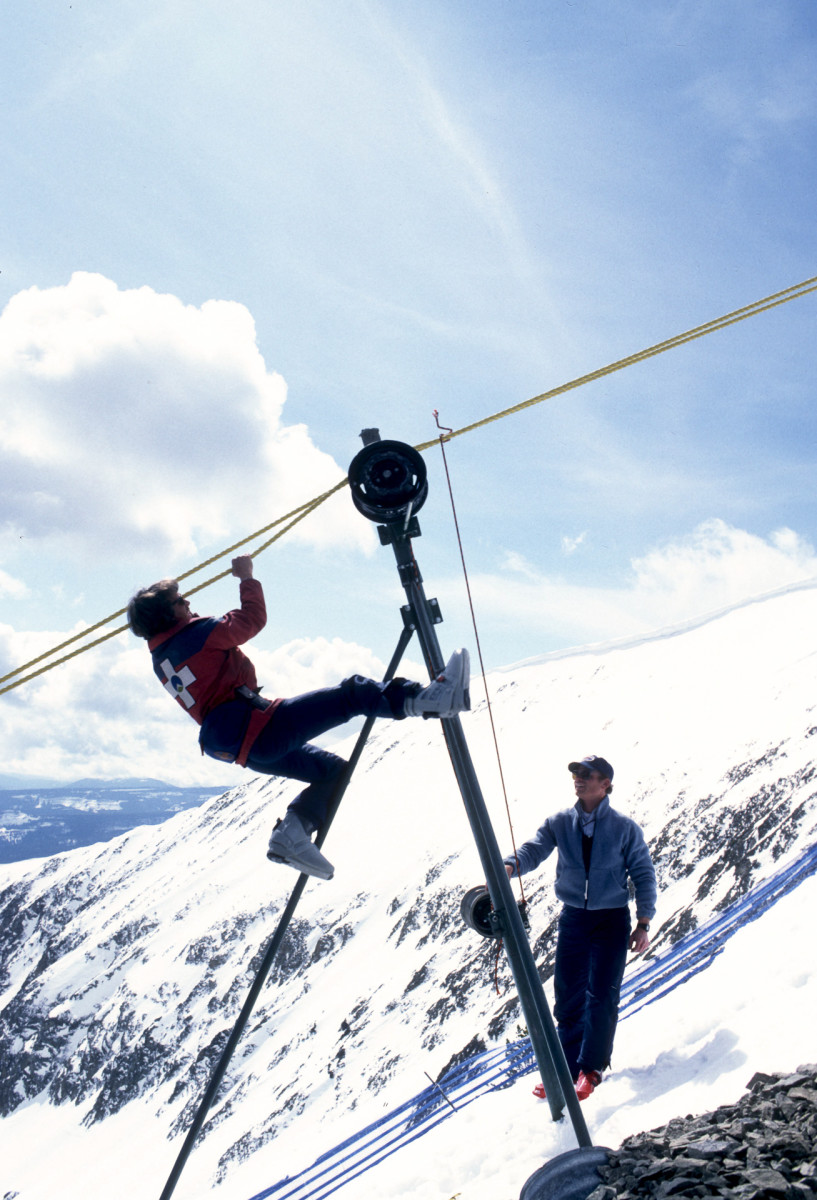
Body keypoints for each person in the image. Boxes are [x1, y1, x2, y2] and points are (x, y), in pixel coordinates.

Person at [127, 555, 470, 881]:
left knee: (333, 772)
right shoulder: (196, 636)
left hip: (243, 747)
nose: (188, 604)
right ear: (168, 616)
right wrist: (247, 577)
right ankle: (426, 700)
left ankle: (292, 833)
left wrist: (184, 616)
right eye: (180, 602)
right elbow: (251, 621)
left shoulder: (163, 657)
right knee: (353, 694)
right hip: (258, 729)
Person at [503, 754, 656, 1101]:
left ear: (605, 784)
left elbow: (644, 874)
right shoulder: (560, 822)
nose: (578, 778)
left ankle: (591, 1069)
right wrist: (510, 866)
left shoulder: (624, 828)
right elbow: (535, 849)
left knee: (602, 994)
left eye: (587, 774)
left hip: (612, 919)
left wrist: (643, 921)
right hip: (573, 916)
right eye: (575, 773)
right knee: (568, 996)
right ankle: (567, 1070)